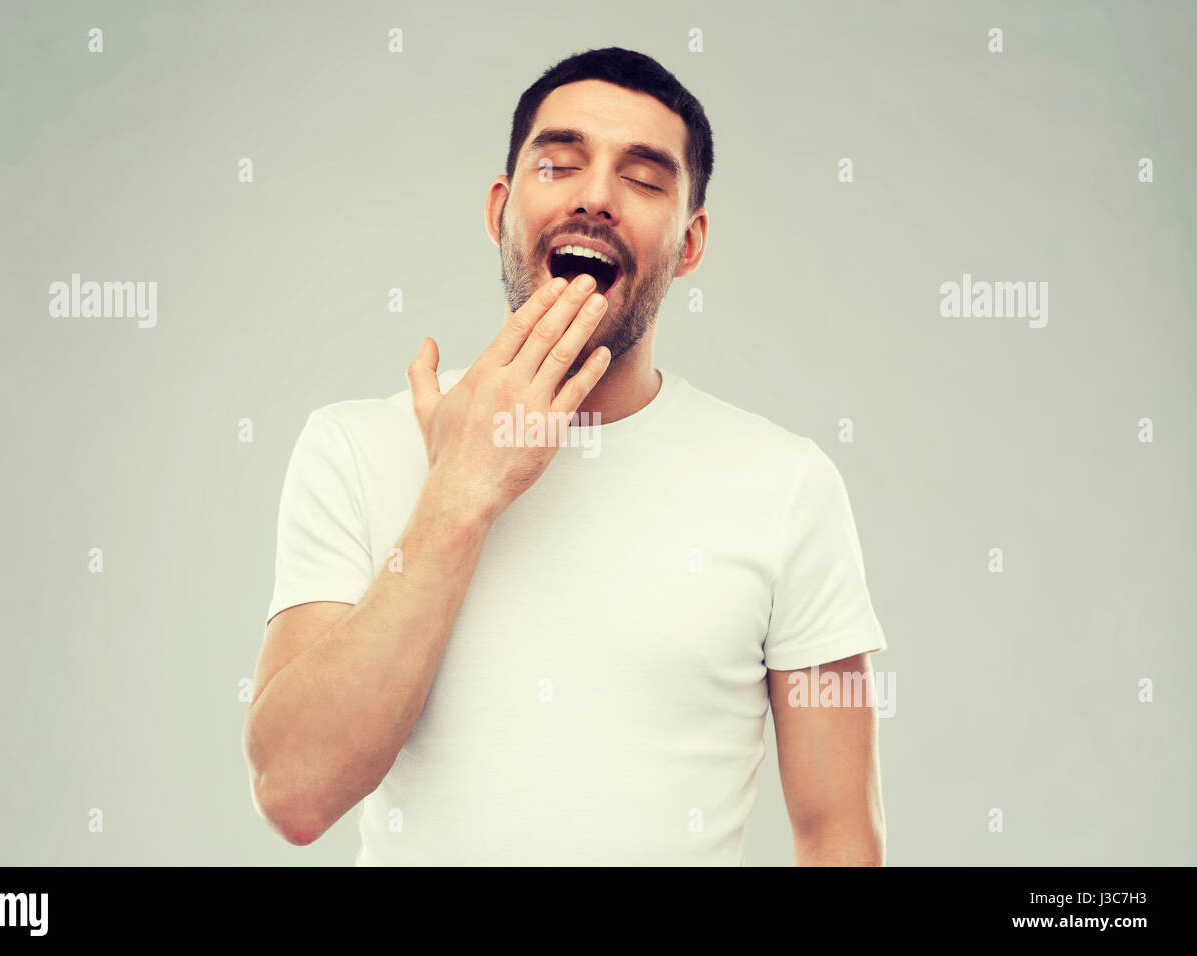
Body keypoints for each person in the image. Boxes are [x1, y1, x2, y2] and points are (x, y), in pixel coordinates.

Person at [242, 47, 889, 865]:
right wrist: (461, 489)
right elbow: (294, 791)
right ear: (500, 210)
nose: (595, 196)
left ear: (689, 245)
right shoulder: (352, 447)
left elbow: (840, 836)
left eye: (645, 179)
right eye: (559, 164)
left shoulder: (789, 486)